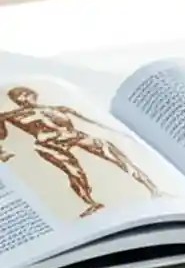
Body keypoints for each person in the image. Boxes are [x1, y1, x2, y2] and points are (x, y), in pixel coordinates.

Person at [0, 86, 163, 217]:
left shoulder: (58, 109)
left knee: (111, 152)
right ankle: (90, 202)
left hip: (73, 135)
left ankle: (152, 187)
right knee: (74, 171)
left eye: (25, 94)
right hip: (48, 143)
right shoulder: (12, 115)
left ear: (32, 94)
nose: (23, 98)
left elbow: (90, 120)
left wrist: (119, 131)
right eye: (18, 97)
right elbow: (2, 135)